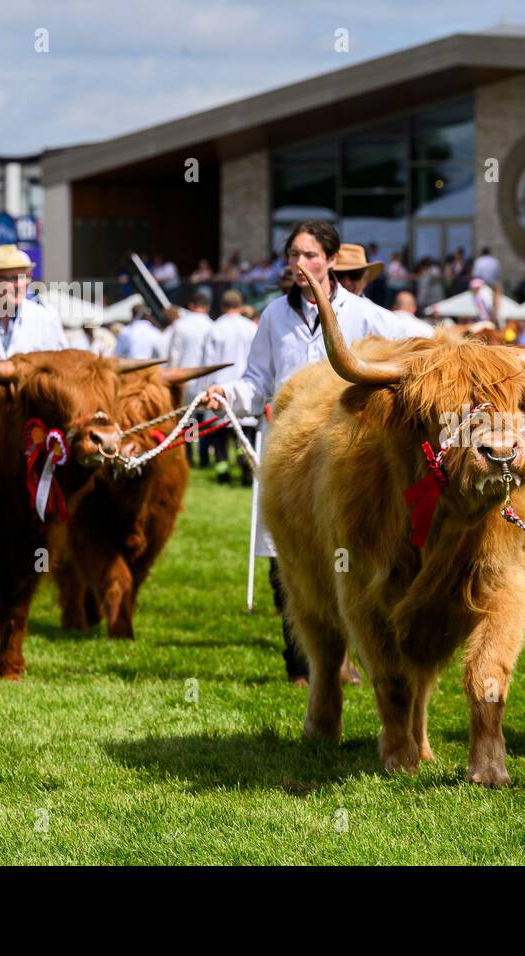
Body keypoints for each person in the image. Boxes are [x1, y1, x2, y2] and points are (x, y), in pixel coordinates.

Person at [199, 220, 377, 686]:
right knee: (288, 557)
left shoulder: (364, 315)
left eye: (310, 255)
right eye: (294, 256)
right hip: (288, 450)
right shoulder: (275, 315)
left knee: (345, 552)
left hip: (343, 452)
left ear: (332, 260)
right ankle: (301, 663)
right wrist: (229, 395)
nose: (300, 265)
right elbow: (257, 378)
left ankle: (347, 658)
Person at [201, 289, 259, 484]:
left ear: (223, 306)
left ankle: (223, 473)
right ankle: (246, 471)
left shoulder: (215, 328)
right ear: (241, 305)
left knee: (219, 439)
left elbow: (207, 363)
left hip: (220, 389)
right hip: (246, 388)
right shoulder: (251, 327)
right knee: (244, 437)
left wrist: (206, 389)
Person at [333, 244, 434, 339]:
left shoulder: (375, 315)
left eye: (354, 275)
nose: (346, 281)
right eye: (340, 275)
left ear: (365, 279)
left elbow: (414, 332)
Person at [165, 290, 215, 467]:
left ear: (191, 306)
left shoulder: (180, 325)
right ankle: (203, 455)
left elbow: (174, 354)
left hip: (184, 378)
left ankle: (188, 455)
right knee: (204, 418)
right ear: (207, 306)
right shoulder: (212, 325)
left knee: (188, 418)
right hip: (206, 380)